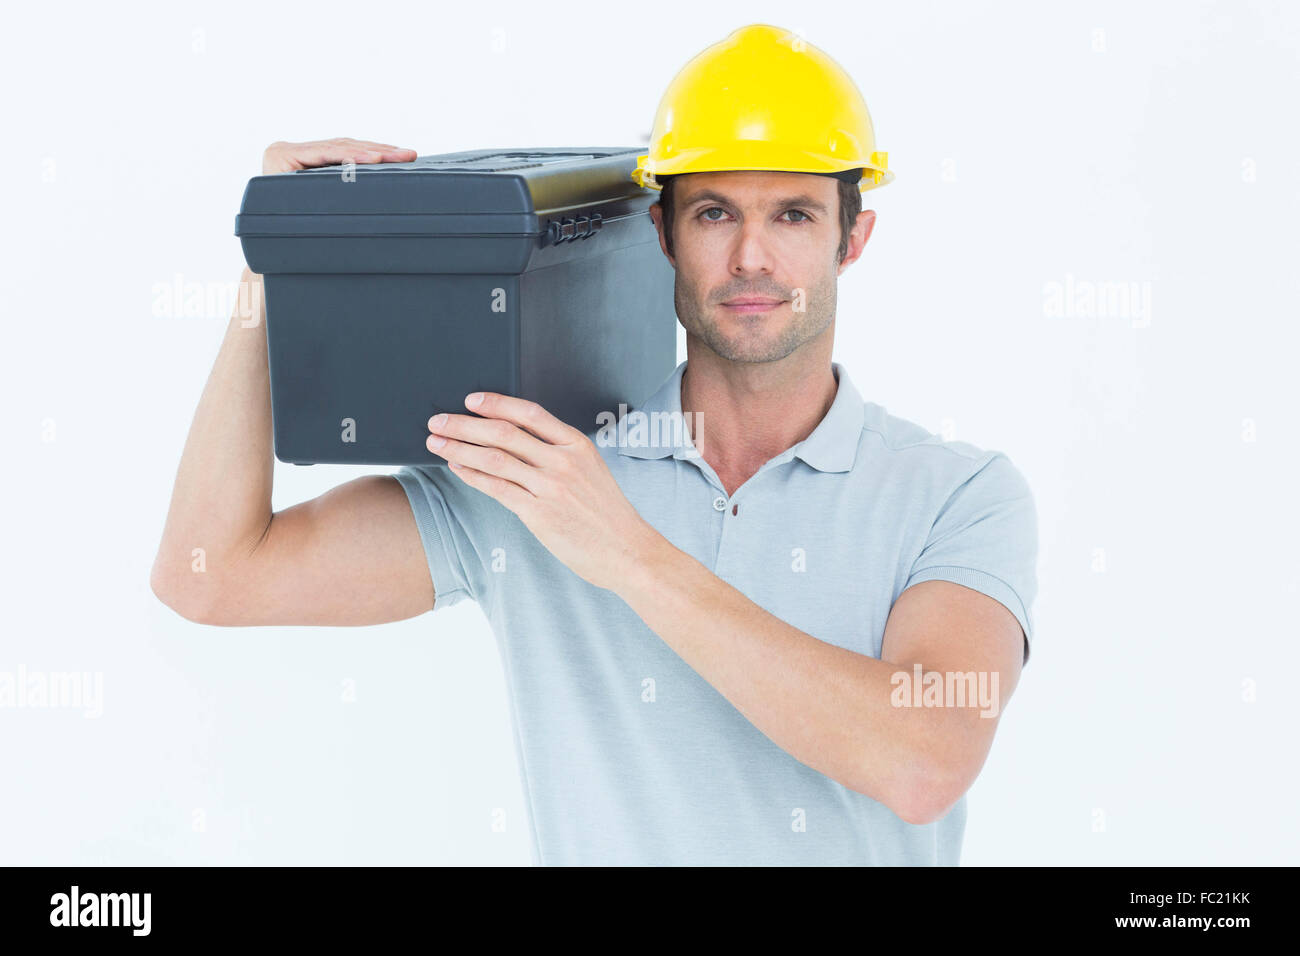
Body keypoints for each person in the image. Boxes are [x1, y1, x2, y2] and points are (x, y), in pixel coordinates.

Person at [151, 24, 1038, 865]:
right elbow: (208, 574)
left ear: (855, 238)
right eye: (716, 213)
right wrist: (275, 259)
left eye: (796, 215)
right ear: (661, 234)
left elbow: (924, 761)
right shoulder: (538, 473)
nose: (753, 258)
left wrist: (628, 554)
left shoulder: (958, 495)